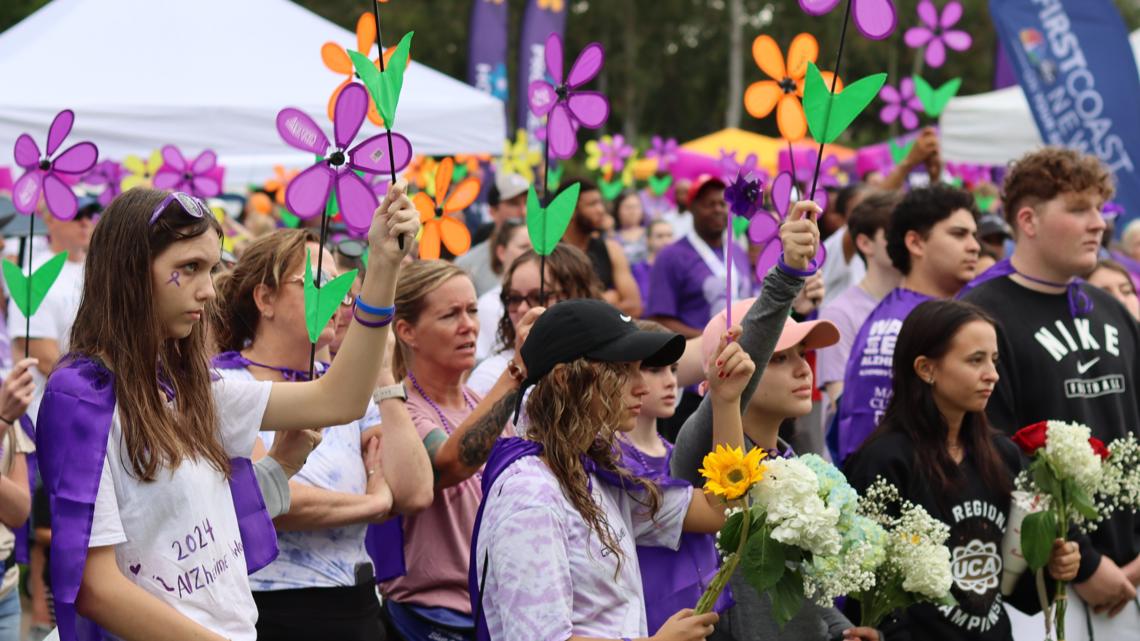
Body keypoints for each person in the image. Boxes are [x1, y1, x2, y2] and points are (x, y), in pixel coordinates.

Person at [35, 185, 419, 641]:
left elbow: (340, 400)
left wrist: (382, 267)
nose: (208, 289)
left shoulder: (191, 384)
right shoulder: (82, 396)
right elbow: (95, 587)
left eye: (212, 268)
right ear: (130, 272)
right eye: (189, 268)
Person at [469, 297, 755, 641]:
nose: (642, 386)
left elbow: (721, 511)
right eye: (621, 371)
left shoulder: (588, 472)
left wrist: (725, 402)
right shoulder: (530, 494)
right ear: (564, 378)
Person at [211, 229, 434, 640]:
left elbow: (415, 491)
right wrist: (374, 501)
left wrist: (383, 377)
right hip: (271, 606)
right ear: (265, 300)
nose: (338, 299)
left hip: (357, 602)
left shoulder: (347, 388)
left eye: (342, 287)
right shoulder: (224, 383)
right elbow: (276, 501)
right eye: (318, 283)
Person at [961, 148, 1140, 640]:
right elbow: (988, 455)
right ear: (1029, 219)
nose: (1098, 224)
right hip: (1040, 592)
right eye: (1079, 209)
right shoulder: (979, 318)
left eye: (1100, 209)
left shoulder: (1111, 309)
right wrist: (1084, 562)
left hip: (1133, 576)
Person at [844, 299, 1081, 641]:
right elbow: (866, 594)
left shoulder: (1003, 455)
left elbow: (1013, 589)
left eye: (994, 360)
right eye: (976, 360)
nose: (993, 374)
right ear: (926, 369)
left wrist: (1053, 568)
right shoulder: (884, 461)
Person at [379, 260, 542, 641]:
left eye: (471, 310)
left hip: (493, 613)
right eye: (450, 315)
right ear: (407, 331)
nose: (469, 325)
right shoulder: (398, 411)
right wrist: (518, 369)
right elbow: (450, 463)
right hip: (431, 620)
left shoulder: (478, 402)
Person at [835, 185, 981, 463]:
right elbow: (866, 431)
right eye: (959, 234)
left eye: (975, 235)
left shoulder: (903, 311)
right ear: (915, 243)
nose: (974, 246)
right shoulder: (898, 323)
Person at [469, 245, 601, 396]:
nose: (522, 309)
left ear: (576, 296)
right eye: (514, 298)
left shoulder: (607, 363)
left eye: (539, 297)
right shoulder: (490, 377)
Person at [817, 192, 902, 415]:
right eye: (895, 233)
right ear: (865, 243)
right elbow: (841, 402)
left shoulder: (922, 304)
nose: (906, 241)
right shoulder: (838, 314)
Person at [647, 175, 751, 339]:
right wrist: (708, 339)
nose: (718, 209)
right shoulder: (670, 256)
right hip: (697, 358)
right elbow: (659, 320)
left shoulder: (737, 252)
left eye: (722, 204)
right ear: (692, 208)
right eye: (709, 204)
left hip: (745, 354)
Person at [559, 180, 643, 317]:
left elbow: (634, 307)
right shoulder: (549, 252)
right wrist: (606, 300)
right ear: (571, 209)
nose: (601, 210)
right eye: (592, 204)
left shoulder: (611, 249)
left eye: (600, 203)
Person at [456, 173, 530, 296]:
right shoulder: (467, 264)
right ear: (493, 211)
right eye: (513, 203)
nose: (523, 211)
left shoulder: (549, 256)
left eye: (528, 202)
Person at [474, 220, 532, 362]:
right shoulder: (488, 305)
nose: (533, 252)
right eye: (524, 247)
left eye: (536, 246)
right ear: (501, 252)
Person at [818, 183, 870, 306]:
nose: (868, 213)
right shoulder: (830, 248)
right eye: (858, 209)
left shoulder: (864, 250)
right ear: (841, 218)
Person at [631, 219, 675, 307]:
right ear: (648, 240)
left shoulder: (681, 269)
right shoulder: (638, 270)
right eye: (660, 236)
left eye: (669, 235)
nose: (666, 241)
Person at [613, 191, 649, 266]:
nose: (633, 211)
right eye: (628, 207)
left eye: (636, 207)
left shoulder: (651, 233)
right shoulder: (611, 237)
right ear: (617, 210)